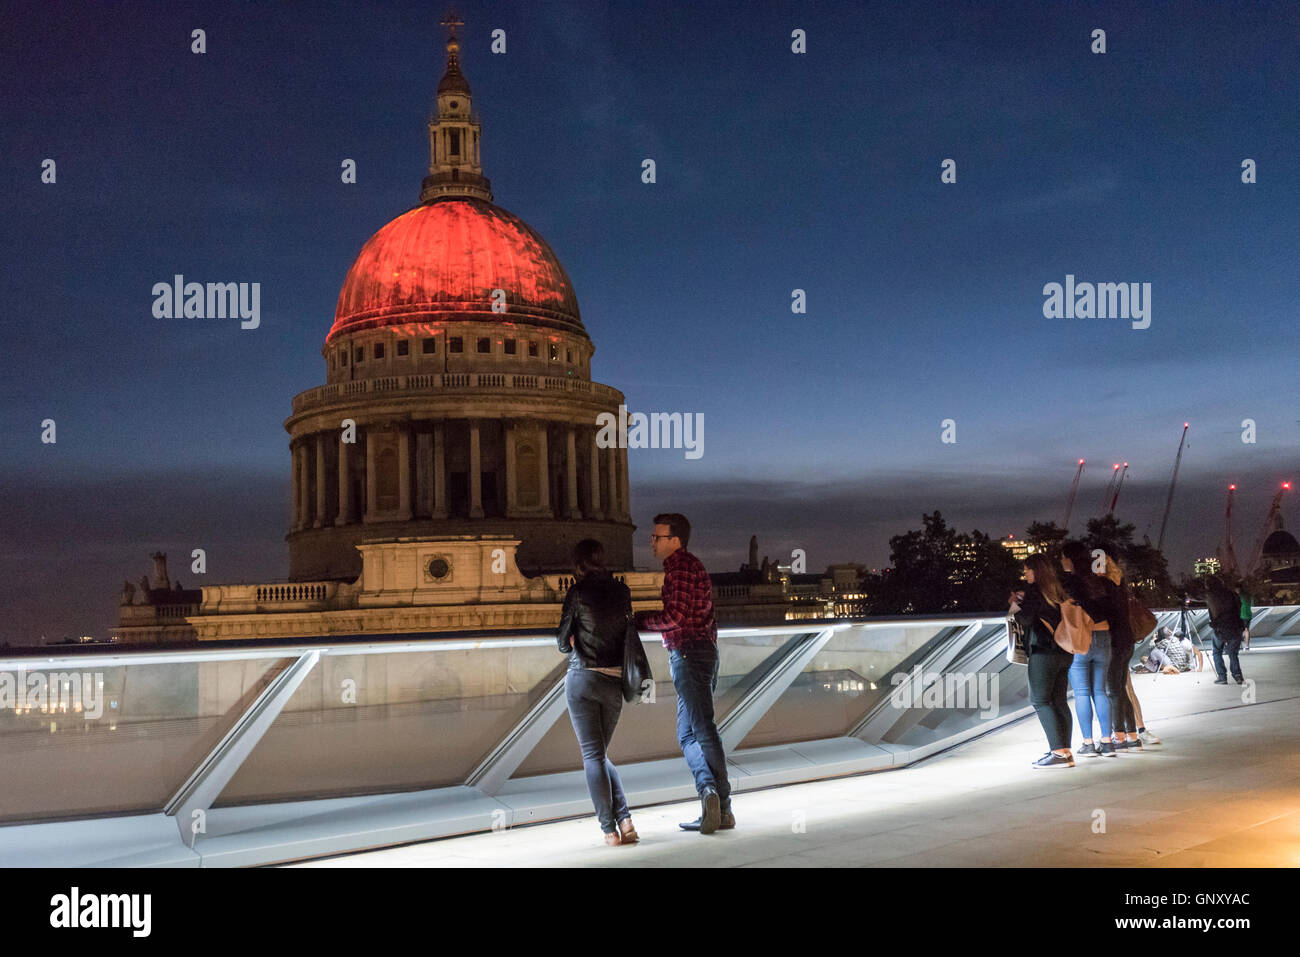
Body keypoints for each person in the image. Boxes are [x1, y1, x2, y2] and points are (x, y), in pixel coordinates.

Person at [635, 513, 732, 834]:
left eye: (657, 537)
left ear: (675, 540)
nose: (651, 541)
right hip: (705, 651)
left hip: (688, 654)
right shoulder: (695, 566)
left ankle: (716, 800)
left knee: (698, 732)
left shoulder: (678, 569)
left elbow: (674, 617)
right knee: (696, 731)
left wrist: (642, 620)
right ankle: (717, 804)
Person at [556, 539, 638, 846]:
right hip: (615, 681)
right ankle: (626, 821)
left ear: (577, 564)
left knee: (593, 756)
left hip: (582, 679)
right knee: (599, 755)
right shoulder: (622, 591)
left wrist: (577, 640)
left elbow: (562, 642)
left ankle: (609, 830)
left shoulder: (577, 593)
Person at [1010, 554, 1073, 768]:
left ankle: (1058, 753)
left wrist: (1014, 605)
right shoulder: (1057, 591)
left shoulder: (1034, 592)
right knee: (1059, 700)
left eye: (1027, 569)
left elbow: (1025, 619)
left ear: (1036, 571)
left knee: (1040, 700)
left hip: (1043, 651)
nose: (1025, 573)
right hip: (1065, 651)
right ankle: (1065, 750)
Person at [1060, 542, 1119, 755]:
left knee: (1082, 692)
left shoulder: (1070, 583)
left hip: (1080, 639)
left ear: (1069, 559)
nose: (1061, 560)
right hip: (1104, 636)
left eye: (1062, 557)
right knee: (1100, 690)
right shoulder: (1099, 581)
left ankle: (1088, 743)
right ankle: (1107, 741)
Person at [1104, 554, 1161, 746]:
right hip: (1125, 641)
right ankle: (1136, 729)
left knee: (1118, 689)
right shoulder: (1121, 585)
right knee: (1125, 687)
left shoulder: (1106, 588)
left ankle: (1124, 731)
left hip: (1114, 643)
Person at [1203, 576, 1246, 685]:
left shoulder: (1210, 595)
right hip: (1235, 626)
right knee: (1233, 653)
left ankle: (1222, 677)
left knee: (1217, 651)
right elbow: (1239, 606)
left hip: (1220, 628)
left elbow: (1196, 596)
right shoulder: (1232, 594)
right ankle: (1238, 676)